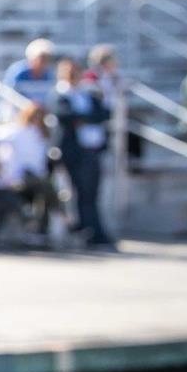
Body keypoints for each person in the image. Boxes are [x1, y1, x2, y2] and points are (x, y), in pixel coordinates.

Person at [54, 59, 114, 246]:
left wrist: (84, 119)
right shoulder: (60, 94)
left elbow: (104, 113)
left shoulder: (87, 93)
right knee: (80, 191)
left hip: (92, 149)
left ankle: (95, 229)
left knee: (92, 193)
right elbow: (65, 116)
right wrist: (86, 118)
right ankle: (86, 229)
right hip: (74, 152)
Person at [0, 100, 61, 239]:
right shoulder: (18, 131)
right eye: (35, 116)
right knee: (46, 188)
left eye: (40, 116)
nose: (37, 119)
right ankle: (64, 216)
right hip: (19, 178)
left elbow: (39, 163)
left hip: (36, 178)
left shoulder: (41, 136)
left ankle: (41, 230)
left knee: (44, 192)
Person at [0, 37, 56, 120]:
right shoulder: (18, 71)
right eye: (42, 58)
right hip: (18, 110)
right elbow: (10, 94)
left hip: (40, 112)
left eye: (47, 59)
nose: (44, 62)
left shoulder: (48, 74)